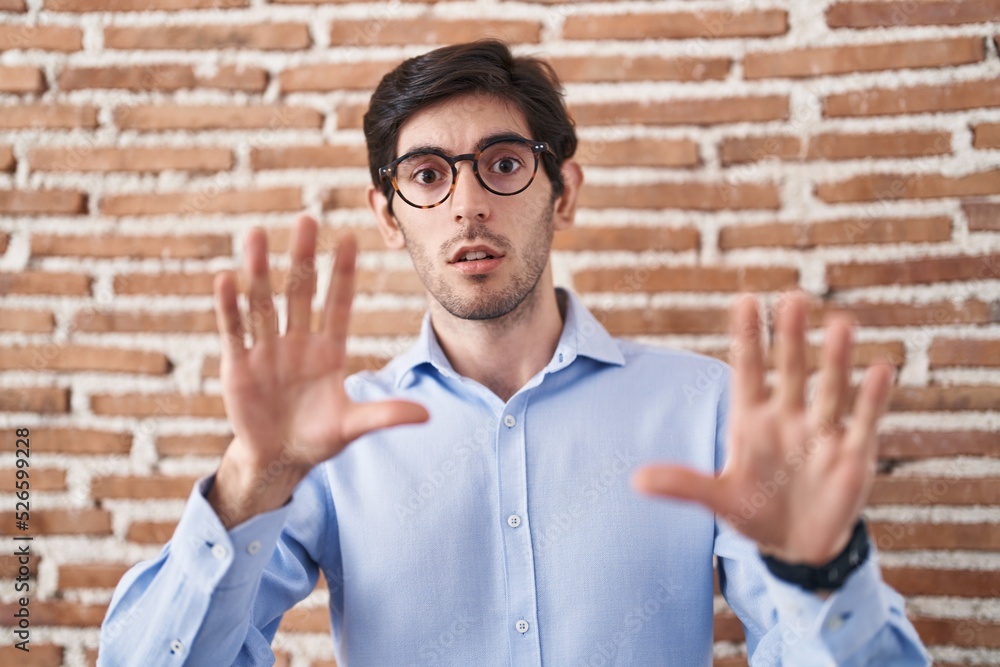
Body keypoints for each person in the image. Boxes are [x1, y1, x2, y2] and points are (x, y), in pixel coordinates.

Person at [99, 40, 930, 666]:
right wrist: (251, 481)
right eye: (427, 175)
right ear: (389, 214)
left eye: (502, 164)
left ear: (560, 191)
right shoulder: (326, 437)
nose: (466, 206)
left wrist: (827, 575)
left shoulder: (706, 409)